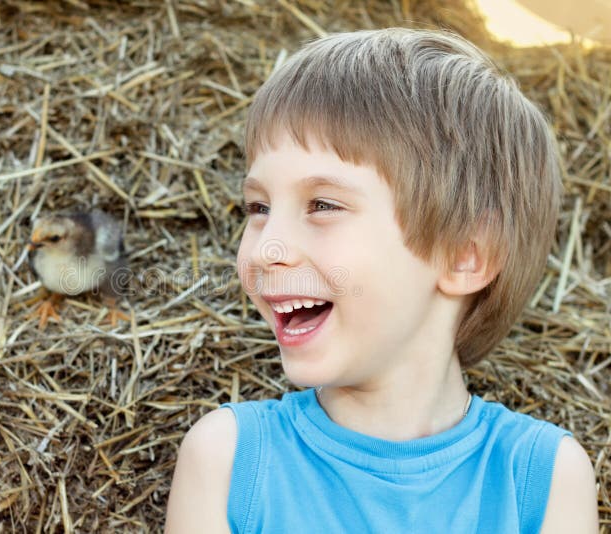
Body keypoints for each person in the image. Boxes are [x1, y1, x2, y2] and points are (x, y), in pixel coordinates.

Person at [164, 28, 598, 533]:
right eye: (259, 207)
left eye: (323, 205)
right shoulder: (229, 460)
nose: (264, 249)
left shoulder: (541, 481)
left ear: (464, 256)